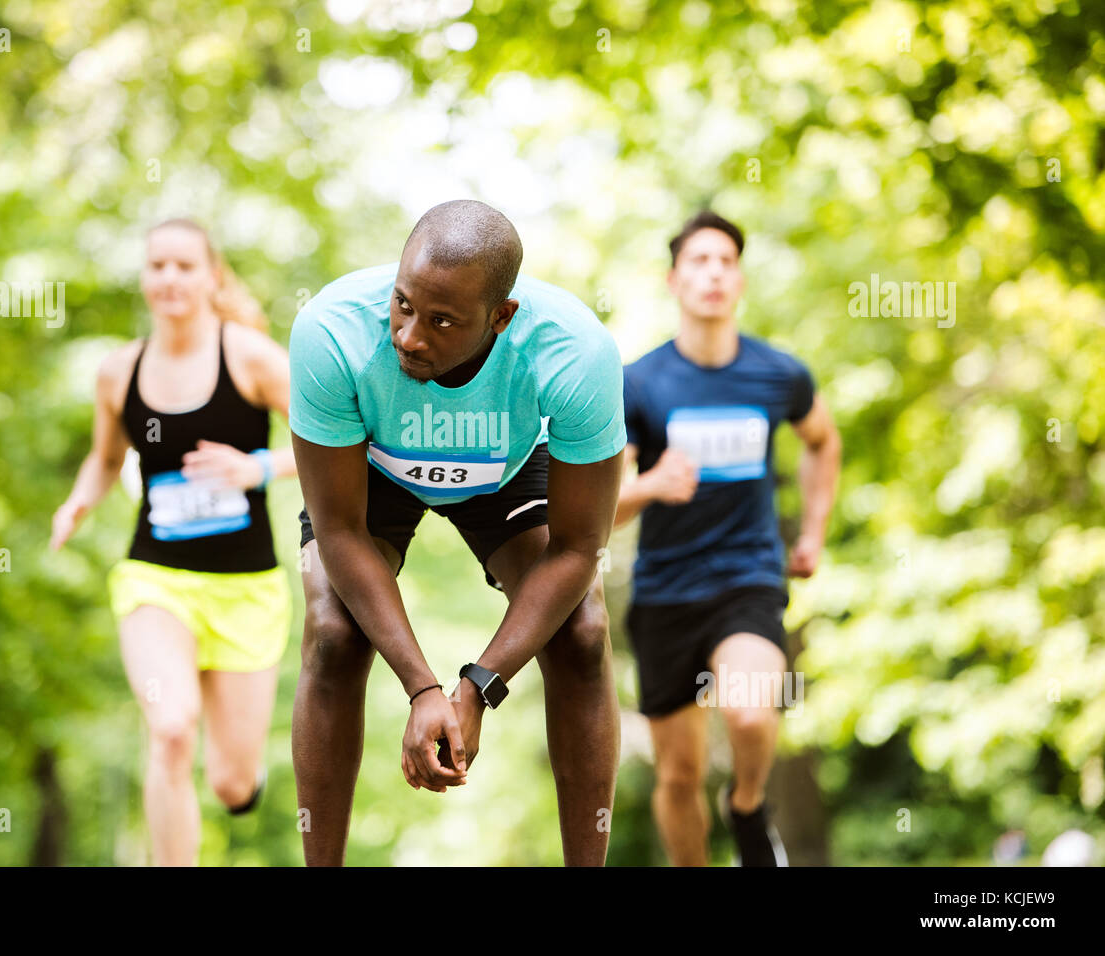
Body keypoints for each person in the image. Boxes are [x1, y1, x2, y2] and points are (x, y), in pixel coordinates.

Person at [288, 199, 625, 866]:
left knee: (583, 631)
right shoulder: (331, 330)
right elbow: (339, 529)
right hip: (373, 464)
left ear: (501, 318)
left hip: (503, 462)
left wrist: (477, 688)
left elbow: (580, 549)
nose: (410, 336)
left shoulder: (574, 353)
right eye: (404, 304)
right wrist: (422, 689)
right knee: (332, 631)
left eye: (442, 321)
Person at [49, 218, 296, 866]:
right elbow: (105, 460)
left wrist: (259, 467)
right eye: (157, 266)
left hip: (246, 588)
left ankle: (244, 781)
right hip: (154, 577)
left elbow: (333, 437)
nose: (169, 279)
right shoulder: (117, 373)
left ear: (213, 276)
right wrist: (79, 500)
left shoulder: (249, 356)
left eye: (185, 266)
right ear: (143, 278)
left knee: (230, 782)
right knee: (170, 728)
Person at [616, 211, 841, 866]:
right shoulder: (640, 382)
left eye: (725, 261)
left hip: (748, 579)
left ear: (739, 279)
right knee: (679, 776)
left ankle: (746, 806)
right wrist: (650, 485)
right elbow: (604, 509)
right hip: (665, 593)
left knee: (748, 712)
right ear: (674, 280)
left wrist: (816, 533)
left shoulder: (779, 375)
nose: (714, 272)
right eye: (699, 261)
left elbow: (822, 442)